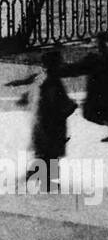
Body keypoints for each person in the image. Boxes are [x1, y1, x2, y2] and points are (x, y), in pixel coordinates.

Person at [26, 48, 77, 192]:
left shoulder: (41, 77)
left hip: (41, 122)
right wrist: (71, 107)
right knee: (50, 154)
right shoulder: (53, 81)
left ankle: (37, 177)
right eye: (59, 63)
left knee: (46, 153)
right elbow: (55, 105)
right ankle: (42, 180)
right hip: (51, 124)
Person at [78, 33, 108, 142]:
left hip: (98, 90)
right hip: (106, 89)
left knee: (93, 111)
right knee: (102, 112)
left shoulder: (95, 56)